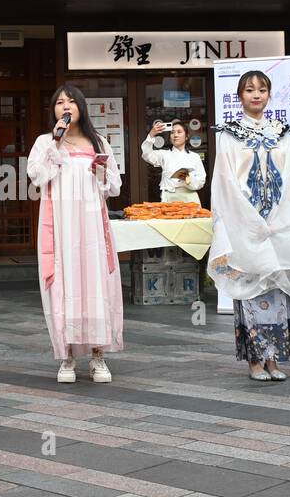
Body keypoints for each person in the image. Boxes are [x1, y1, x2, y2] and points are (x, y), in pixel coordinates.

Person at [209, 70, 290, 381]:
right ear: (239, 96)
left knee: (278, 288)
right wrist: (244, 217)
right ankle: (256, 359)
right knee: (250, 290)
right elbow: (225, 180)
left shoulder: (283, 132)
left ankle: (275, 359)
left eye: (262, 89)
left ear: (269, 95)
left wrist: (283, 214)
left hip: (278, 219)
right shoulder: (229, 133)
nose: (256, 95)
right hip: (244, 219)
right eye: (250, 90)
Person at [26, 84, 124, 383]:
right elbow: (37, 177)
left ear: (81, 107)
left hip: (92, 226)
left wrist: (101, 171)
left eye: (71, 101)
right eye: (59, 102)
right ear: (53, 110)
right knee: (65, 284)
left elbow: (114, 187)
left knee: (95, 284)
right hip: (61, 227)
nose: (65, 106)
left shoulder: (99, 142)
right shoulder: (45, 142)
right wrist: (56, 145)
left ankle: (98, 356)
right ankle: (66, 357)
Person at [140, 119, 206, 203]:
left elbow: (201, 181)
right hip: (169, 198)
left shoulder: (195, 157)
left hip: (190, 199)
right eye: (172, 132)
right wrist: (151, 134)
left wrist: (187, 178)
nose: (175, 135)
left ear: (186, 136)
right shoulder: (164, 154)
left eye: (179, 132)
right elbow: (146, 154)